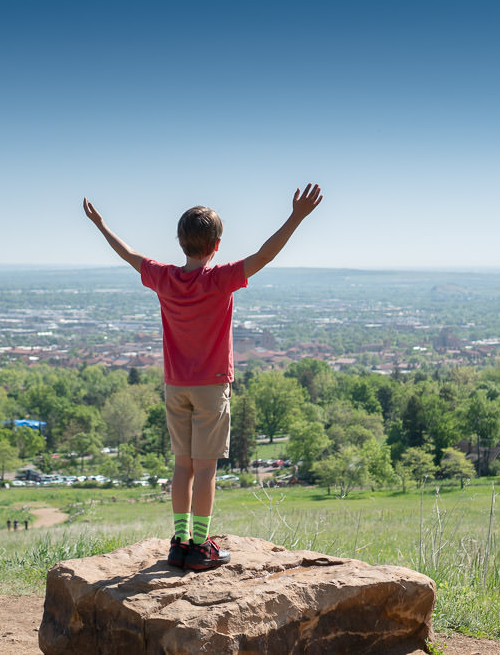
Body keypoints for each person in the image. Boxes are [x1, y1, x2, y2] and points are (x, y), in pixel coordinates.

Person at [82, 183, 323, 571]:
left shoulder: (162, 278)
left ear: (179, 241)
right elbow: (264, 255)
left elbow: (129, 255)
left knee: (183, 465)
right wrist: (296, 217)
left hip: (175, 385)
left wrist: (100, 224)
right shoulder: (220, 279)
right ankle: (199, 545)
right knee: (206, 468)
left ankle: (177, 542)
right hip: (211, 386)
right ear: (217, 244)